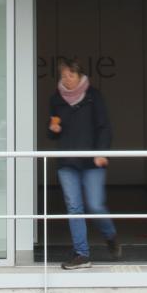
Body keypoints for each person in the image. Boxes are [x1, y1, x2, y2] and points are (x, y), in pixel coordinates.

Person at [47, 58, 121, 269]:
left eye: (71, 75)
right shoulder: (56, 99)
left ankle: (110, 235)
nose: (66, 79)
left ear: (80, 76)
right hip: (67, 162)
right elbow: (52, 130)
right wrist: (52, 129)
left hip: (92, 161)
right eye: (63, 75)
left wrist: (101, 153)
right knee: (74, 207)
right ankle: (81, 253)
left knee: (95, 206)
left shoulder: (93, 96)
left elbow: (104, 127)